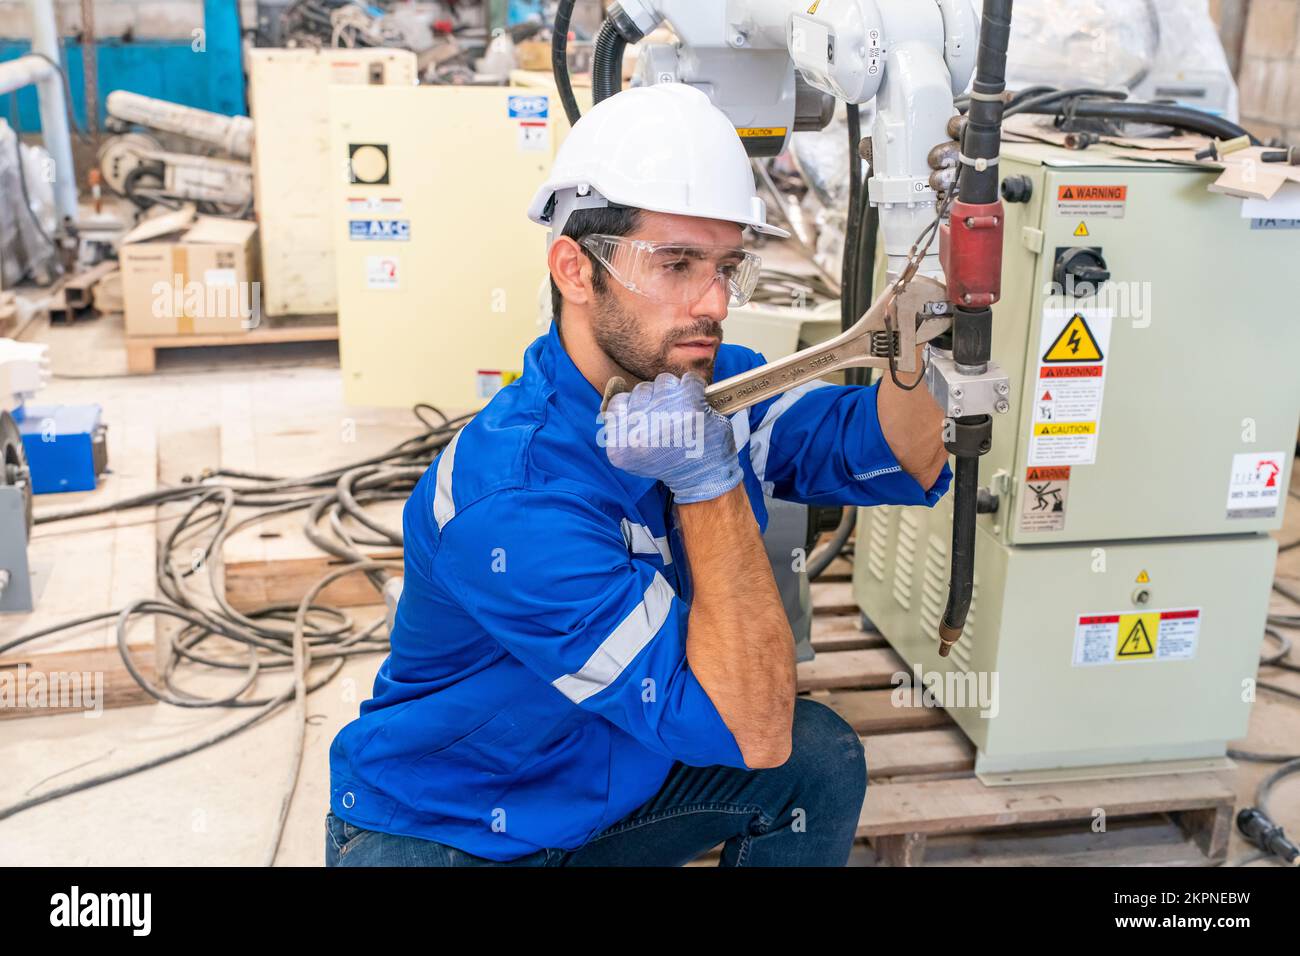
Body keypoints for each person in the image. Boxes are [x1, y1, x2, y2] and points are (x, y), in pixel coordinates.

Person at [325, 83, 950, 867]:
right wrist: (706, 482)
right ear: (575, 271)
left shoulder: (718, 386)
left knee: (817, 762)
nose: (715, 301)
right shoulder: (513, 500)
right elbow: (750, 725)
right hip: (452, 828)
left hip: (612, 785)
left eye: (727, 266)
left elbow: (902, 449)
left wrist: (923, 349)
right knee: (767, 731)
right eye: (677, 264)